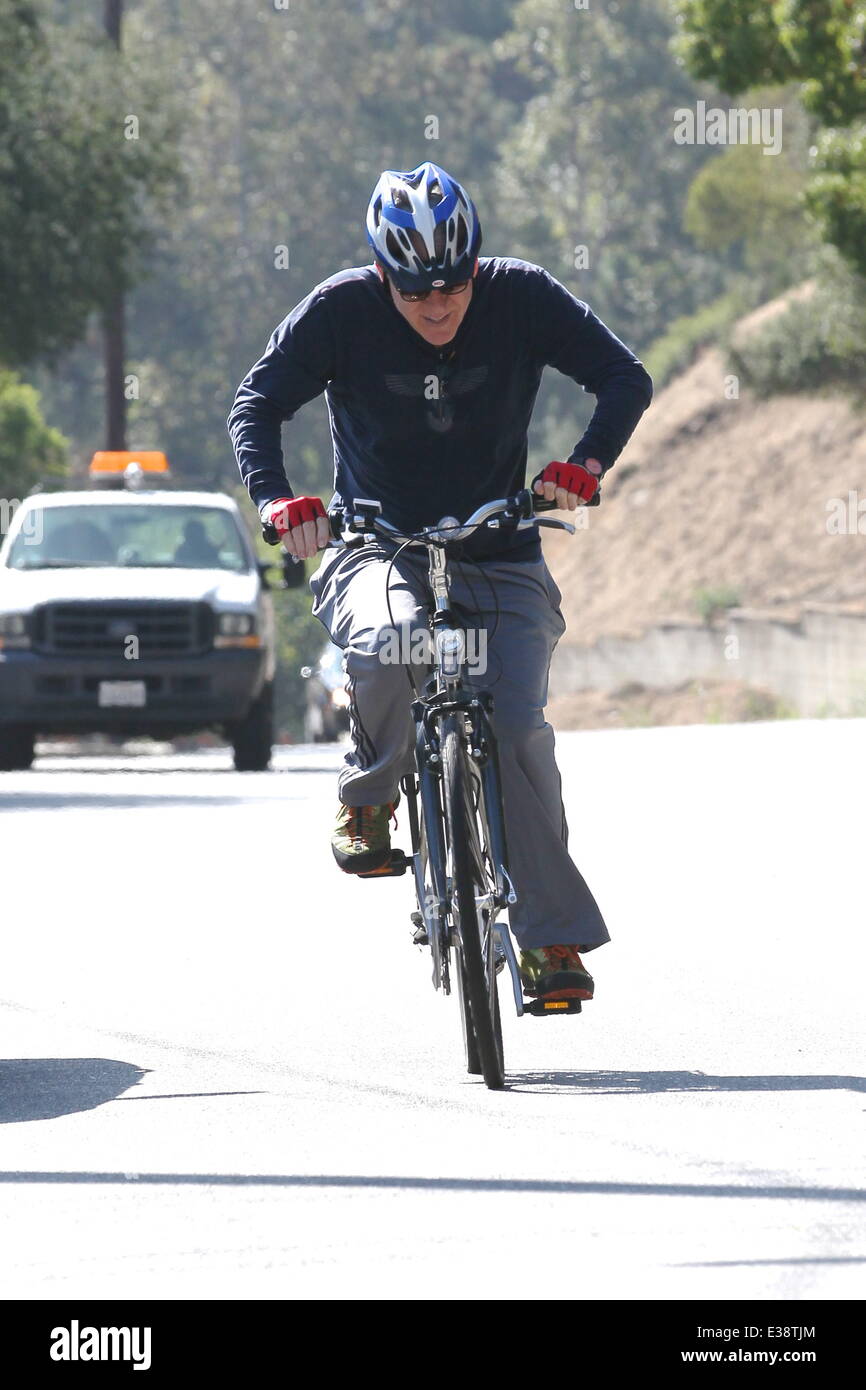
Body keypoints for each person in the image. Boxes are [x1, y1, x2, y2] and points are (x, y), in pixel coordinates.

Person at [229, 162, 652, 1006]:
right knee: (390, 647)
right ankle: (369, 797)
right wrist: (279, 504)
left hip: (498, 545)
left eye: (454, 284)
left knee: (520, 726)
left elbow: (623, 378)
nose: (438, 304)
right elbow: (256, 404)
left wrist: (584, 464)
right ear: (381, 272)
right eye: (417, 288)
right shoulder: (337, 311)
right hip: (375, 545)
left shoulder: (523, 298)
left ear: (476, 267)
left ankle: (548, 939)